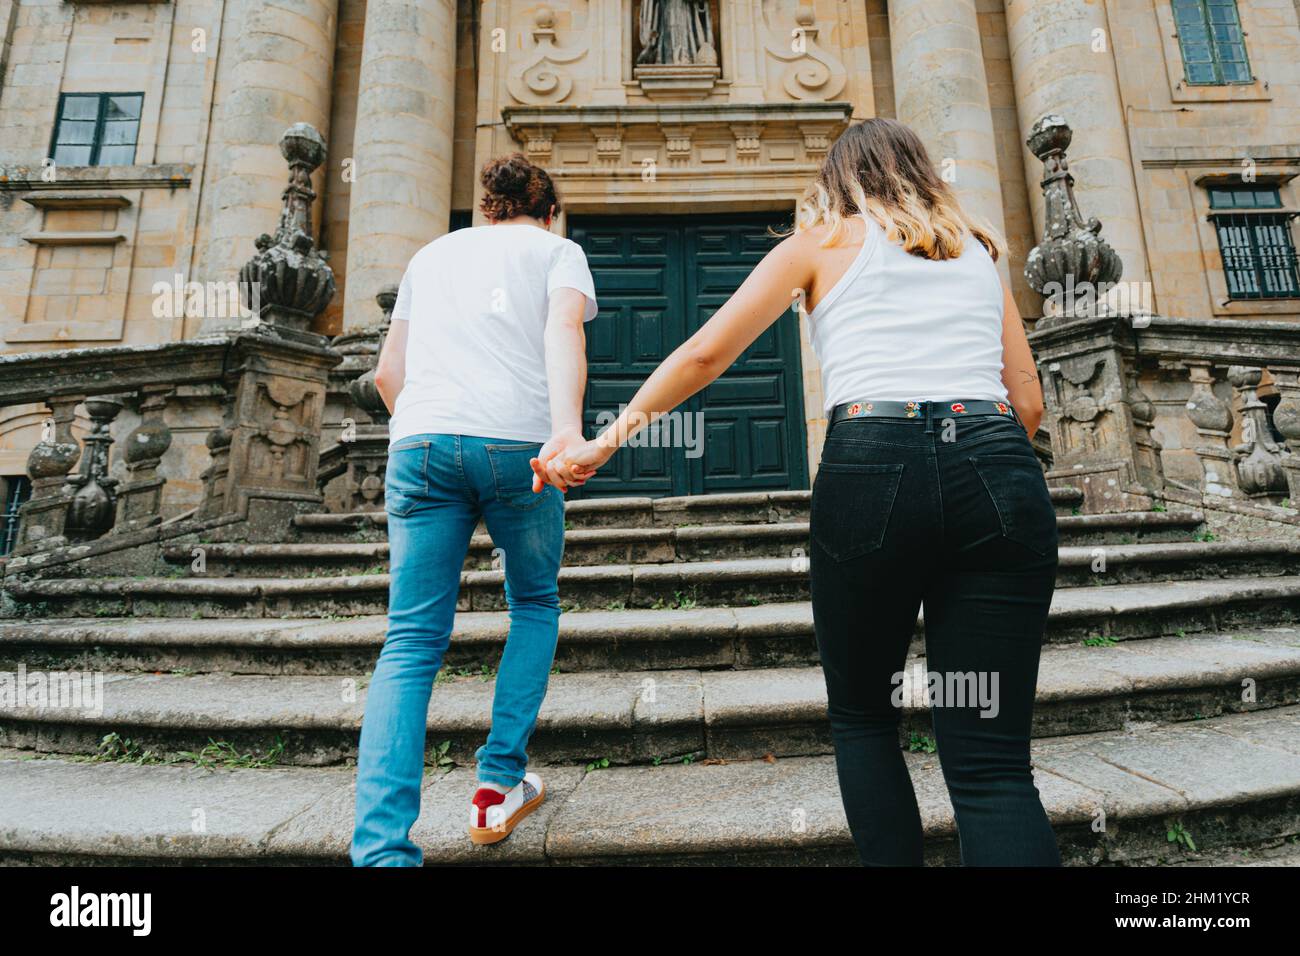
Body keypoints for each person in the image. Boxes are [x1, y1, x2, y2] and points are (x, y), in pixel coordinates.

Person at [539, 118, 1062, 866]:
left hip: (873, 465)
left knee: (865, 717)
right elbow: (1029, 402)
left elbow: (706, 351)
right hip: (997, 465)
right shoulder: (976, 251)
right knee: (992, 762)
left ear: (840, 180)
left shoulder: (818, 244)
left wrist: (602, 441)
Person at [351, 153, 598, 865]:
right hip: (518, 449)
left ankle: (381, 853)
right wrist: (564, 429)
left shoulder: (432, 254)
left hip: (421, 443)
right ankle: (496, 785)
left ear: (487, 208)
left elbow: (388, 373)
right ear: (549, 211)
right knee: (534, 604)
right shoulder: (558, 251)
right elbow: (562, 331)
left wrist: (424, 430)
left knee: (410, 641)